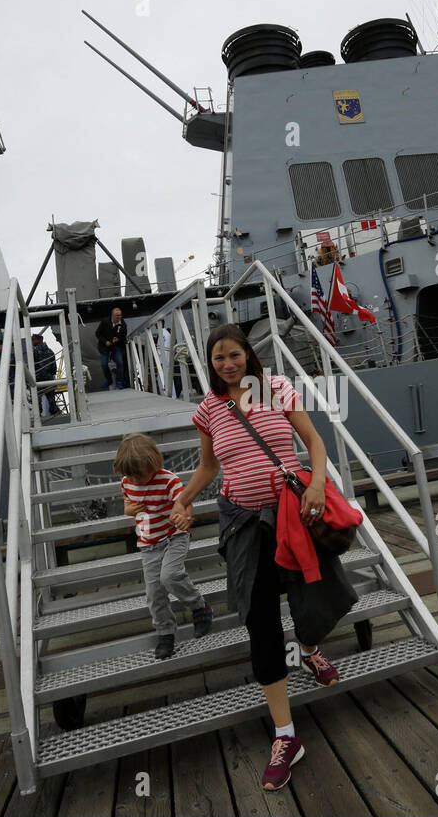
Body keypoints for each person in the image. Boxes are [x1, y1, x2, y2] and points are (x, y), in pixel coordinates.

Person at [171, 323, 355, 792]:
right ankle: (286, 735)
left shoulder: (275, 388)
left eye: (233, 355)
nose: (227, 364)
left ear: (248, 355)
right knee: (260, 620)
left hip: (292, 516)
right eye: (218, 359)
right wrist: (185, 499)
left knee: (312, 598)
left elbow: (312, 440)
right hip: (242, 524)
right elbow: (210, 466)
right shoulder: (209, 409)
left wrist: (316, 482)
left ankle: (309, 649)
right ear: (211, 366)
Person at [114, 432, 213, 659]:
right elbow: (127, 504)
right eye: (132, 476)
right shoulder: (127, 482)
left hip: (174, 536)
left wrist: (184, 517)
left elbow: (185, 503)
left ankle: (199, 607)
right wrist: (130, 510)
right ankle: (165, 632)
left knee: (169, 576)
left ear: (154, 463)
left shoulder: (168, 480)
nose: (137, 480)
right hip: (148, 543)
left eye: (141, 475)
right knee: (154, 593)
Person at [95, 307, 127, 390]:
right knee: (104, 364)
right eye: (117, 315)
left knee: (120, 363)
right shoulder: (105, 321)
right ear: (112, 315)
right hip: (105, 346)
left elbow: (124, 337)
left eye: (120, 315)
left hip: (116, 346)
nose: (119, 317)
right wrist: (105, 341)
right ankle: (109, 380)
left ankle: (119, 382)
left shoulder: (123, 324)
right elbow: (98, 333)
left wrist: (118, 339)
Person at [32, 333, 58, 417]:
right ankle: (54, 413)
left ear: (39, 340)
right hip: (49, 378)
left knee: (37, 398)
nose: (32, 341)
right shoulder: (50, 351)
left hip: (37, 379)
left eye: (33, 339)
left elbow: (31, 364)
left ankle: (38, 415)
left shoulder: (33, 351)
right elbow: (54, 368)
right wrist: (50, 374)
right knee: (51, 398)